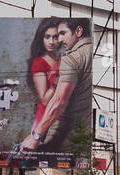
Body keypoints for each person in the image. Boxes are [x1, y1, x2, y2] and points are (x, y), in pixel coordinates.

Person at [20, 19, 93, 154]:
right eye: (48, 37)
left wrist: (36, 136)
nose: (57, 40)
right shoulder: (91, 52)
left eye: (61, 34)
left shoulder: (69, 58)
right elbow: (46, 99)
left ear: (78, 31)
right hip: (52, 120)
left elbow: (59, 101)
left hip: (62, 128)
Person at [26, 18, 63, 131]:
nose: (51, 41)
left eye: (55, 37)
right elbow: (45, 100)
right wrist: (58, 80)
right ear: (41, 38)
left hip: (66, 119)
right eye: (47, 37)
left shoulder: (65, 59)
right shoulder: (39, 63)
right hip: (47, 121)